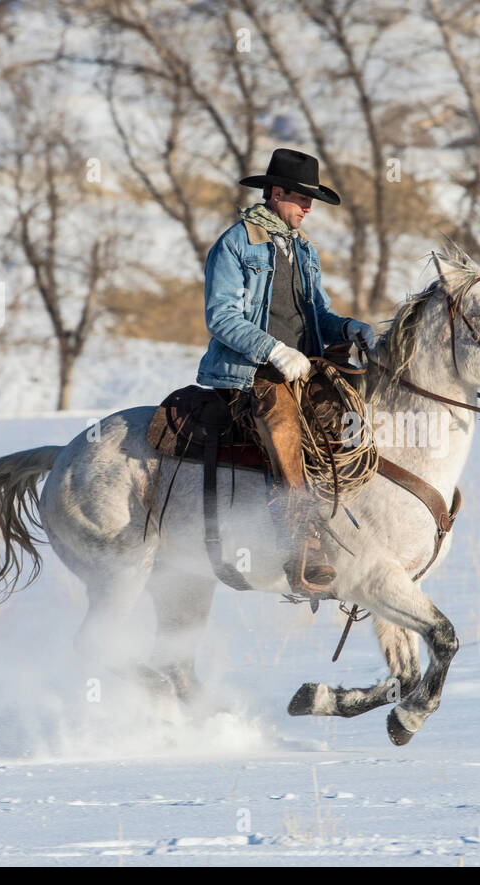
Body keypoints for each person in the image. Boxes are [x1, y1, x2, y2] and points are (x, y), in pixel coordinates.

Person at [197, 148, 377, 595]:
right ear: (276, 193)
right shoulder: (236, 243)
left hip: (306, 368)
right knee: (282, 424)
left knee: (353, 416)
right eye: (301, 197)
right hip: (251, 372)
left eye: (311, 200)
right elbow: (220, 317)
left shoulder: (304, 250)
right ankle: (300, 542)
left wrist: (349, 327)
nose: (308, 208)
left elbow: (319, 314)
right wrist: (274, 350)